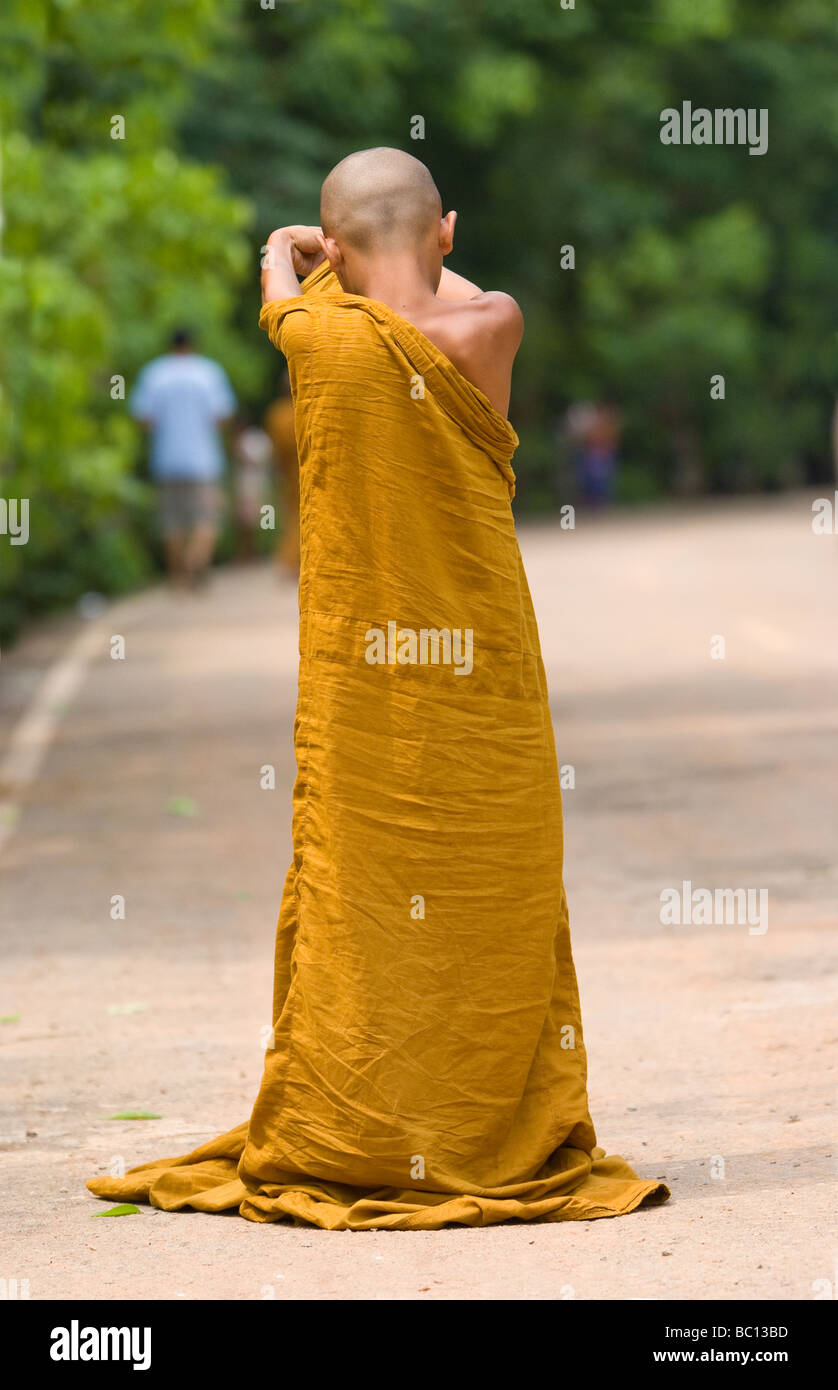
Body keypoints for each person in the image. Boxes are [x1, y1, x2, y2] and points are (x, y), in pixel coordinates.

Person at [88, 149, 668, 1229]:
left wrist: (286, 251)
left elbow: (290, 302)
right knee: (498, 891)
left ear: (334, 251)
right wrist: (392, 247)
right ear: (446, 231)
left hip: (369, 690)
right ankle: (493, 1122)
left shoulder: (314, 334)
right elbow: (429, 290)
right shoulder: (494, 321)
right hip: (485, 671)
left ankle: (359, 1123)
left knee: (361, 895)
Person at [131, 329, 236, 587]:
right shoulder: (208, 372)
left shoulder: (154, 373)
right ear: (193, 345)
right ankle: (196, 559)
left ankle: (178, 577)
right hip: (204, 460)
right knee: (207, 518)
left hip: (166, 459)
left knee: (172, 521)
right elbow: (223, 415)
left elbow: (143, 418)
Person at [263, 371, 300, 577]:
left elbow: (274, 448)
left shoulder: (276, 413)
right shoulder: (303, 406)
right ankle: (292, 560)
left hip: (286, 470)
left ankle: (290, 560)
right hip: (302, 468)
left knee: (291, 513)